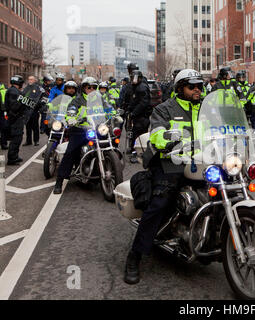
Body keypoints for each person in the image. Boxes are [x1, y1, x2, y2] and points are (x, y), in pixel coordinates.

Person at [123, 69, 204, 285]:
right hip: (169, 159)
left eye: (199, 86)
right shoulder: (164, 109)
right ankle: (135, 256)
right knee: (160, 202)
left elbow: (221, 127)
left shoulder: (206, 108)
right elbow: (157, 132)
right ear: (180, 89)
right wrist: (166, 141)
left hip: (202, 160)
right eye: (192, 86)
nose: (197, 90)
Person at [53, 77, 103, 194]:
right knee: (70, 152)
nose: (91, 89)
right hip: (80, 130)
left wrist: (115, 113)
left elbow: (109, 109)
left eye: (93, 87)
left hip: (96, 129)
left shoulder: (99, 99)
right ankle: (59, 181)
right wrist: (71, 119)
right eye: (88, 87)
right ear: (84, 88)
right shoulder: (77, 100)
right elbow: (71, 111)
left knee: (109, 144)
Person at [128, 70, 152, 164]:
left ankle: (140, 154)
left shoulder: (141, 88)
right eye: (132, 78)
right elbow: (134, 101)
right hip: (139, 116)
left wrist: (134, 112)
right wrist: (130, 109)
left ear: (140, 78)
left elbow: (143, 103)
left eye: (135, 78)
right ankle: (136, 152)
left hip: (142, 116)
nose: (133, 80)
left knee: (139, 135)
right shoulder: (136, 87)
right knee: (136, 134)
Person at [4, 75, 27, 165]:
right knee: (16, 138)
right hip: (15, 119)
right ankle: (12, 158)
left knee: (17, 138)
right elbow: (14, 106)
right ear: (19, 83)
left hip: (15, 118)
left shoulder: (13, 91)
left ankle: (14, 156)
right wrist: (23, 99)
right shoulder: (14, 92)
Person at [23, 75, 46, 147]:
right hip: (27, 111)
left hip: (34, 110)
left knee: (35, 127)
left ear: (35, 80)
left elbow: (42, 98)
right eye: (29, 79)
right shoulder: (26, 88)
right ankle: (28, 141)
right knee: (28, 127)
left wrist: (38, 105)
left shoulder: (38, 88)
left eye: (31, 79)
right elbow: (23, 96)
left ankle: (36, 141)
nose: (30, 81)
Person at [0, 82, 8, 150]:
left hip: (2, 112)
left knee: (3, 128)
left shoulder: (4, 90)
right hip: (2, 112)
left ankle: (3, 143)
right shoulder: (4, 90)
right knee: (3, 128)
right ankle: (3, 144)